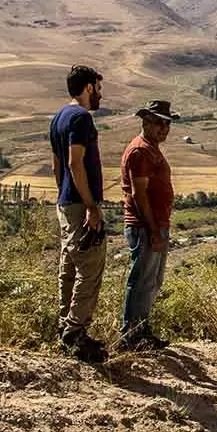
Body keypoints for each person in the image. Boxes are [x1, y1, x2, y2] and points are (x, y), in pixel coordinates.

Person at [49, 65, 107, 363]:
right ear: (87, 88)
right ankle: (76, 334)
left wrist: (65, 196)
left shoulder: (59, 117)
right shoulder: (81, 118)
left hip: (65, 203)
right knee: (90, 268)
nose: (99, 94)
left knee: (69, 268)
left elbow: (57, 165)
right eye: (97, 88)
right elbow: (74, 162)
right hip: (80, 206)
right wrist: (90, 206)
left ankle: (65, 327)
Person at [119, 100, 179, 352]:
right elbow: (139, 193)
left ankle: (141, 331)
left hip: (154, 224)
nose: (164, 128)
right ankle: (132, 335)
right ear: (145, 122)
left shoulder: (150, 148)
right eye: (158, 123)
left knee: (152, 281)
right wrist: (153, 229)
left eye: (167, 124)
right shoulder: (140, 151)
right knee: (142, 280)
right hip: (145, 225)